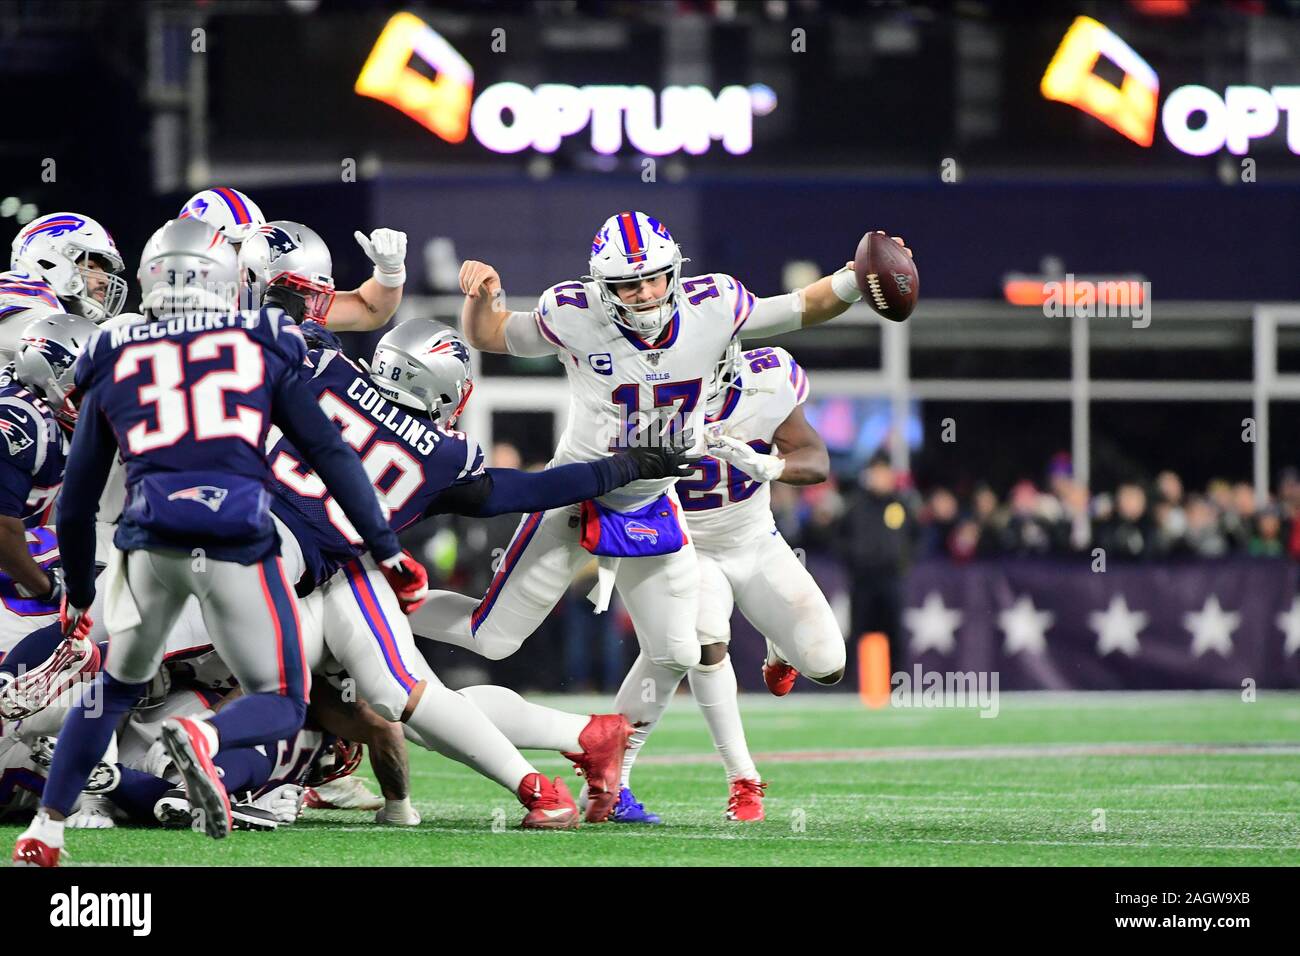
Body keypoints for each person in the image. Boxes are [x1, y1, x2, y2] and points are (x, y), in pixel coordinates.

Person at [415, 212, 909, 814]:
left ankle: (608, 778)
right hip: (577, 489)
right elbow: (491, 335)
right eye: (628, 283)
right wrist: (481, 298)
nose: (645, 293)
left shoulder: (714, 306)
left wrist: (857, 280)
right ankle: (383, 609)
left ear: (675, 272)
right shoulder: (573, 313)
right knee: (492, 639)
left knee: (680, 651)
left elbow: (801, 306)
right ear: (602, 286)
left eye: (654, 278)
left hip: (651, 499)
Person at [12, 217, 410, 866]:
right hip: (235, 539)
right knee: (281, 699)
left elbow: (79, 500)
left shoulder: (115, 344)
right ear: (224, 280)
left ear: (149, 276)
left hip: (146, 543)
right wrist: (386, 544)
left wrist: (80, 591)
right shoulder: (264, 338)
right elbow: (331, 453)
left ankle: (46, 830)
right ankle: (202, 738)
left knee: (112, 687)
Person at [622, 338, 843, 823]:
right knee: (705, 646)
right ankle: (743, 779)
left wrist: (772, 466)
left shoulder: (769, 380)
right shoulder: (642, 398)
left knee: (829, 665)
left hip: (756, 541)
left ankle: (778, 646)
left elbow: (816, 457)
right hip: (689, 548)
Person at [180, 188, 407, 329]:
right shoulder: (166, 312)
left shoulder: (265, 298)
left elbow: (368, 311)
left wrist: (390, 273)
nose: (246, 259)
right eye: (236, 247)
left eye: (251, 245)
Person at [838, 451, 917, 668]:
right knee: (859, 631)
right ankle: (853, 684)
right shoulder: (856, 504)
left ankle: (898, 681)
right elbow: (837, 535)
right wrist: (853, 557)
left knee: (893, 631)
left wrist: (905, 558)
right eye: (876, 472)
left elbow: (919, 535)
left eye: (884, 472)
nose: (880, 477)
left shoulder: (901, 504)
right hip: (863, 579)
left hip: (891, 577)